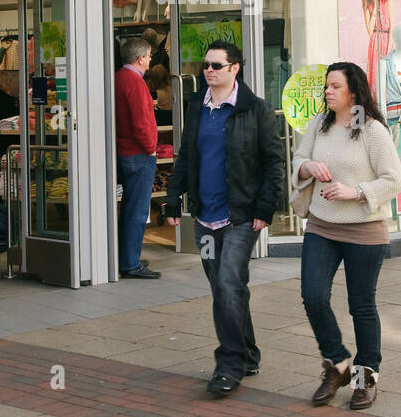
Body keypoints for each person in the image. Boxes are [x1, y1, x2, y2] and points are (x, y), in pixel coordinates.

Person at [164, 41, 284, 397]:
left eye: (217, 65)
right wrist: (173, 201)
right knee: (224, 290)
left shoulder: (255, 110)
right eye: (206, 65)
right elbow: (186, 157)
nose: (209, 70)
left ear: (235, 69)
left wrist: (265, 209)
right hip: (205, 217)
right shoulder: (198, 108)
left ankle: (229, 364)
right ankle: (248, 353)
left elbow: (273, 162)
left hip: (241, 216)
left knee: (229, 285)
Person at [291, 61, 401, 410]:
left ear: (353, 92)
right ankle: (337, 363)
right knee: (313, 296)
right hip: (322, 226)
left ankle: (364, 377)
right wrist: (307, 167)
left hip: (365, 230)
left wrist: (355, 192)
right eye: (326, 86)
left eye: (335, 86)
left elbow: (393, 179)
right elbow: (299, 158)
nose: (328, 91)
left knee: (361, 306)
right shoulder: (318, 125)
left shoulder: (371, 130)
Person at [114, 37, 160, 279]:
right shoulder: (135, 82)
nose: (151, 59)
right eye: (149, 55)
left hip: (123, 152)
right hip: (138, 154)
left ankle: (125, 257)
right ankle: (130, 263)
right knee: (137, 211)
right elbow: (141, 121)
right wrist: (151, 147)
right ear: (140, 58)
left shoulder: (118, 78)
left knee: (129, 210)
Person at [362, 0, 392, 103]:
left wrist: (390, 44)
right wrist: (374, 4)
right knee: (375, 81)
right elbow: (369, 29)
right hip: (375, 40)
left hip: (387, 38)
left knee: (389, 78)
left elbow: (391, 20)